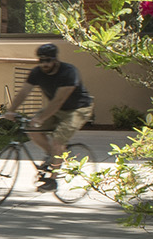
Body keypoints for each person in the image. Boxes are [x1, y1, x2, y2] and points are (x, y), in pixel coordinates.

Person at [15, 41, 96, 188]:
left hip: (79, 109)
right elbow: (23, 92)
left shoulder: (69, 72)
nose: (44, 64)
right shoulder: (37, 73)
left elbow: (58, 101)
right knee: (32, 130)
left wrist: (40, 118)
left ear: (55, 60)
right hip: (57, 109)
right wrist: (10, 110)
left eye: (48, 60)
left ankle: (52, 179)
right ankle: (54, 156)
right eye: (41, 60)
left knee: (58, 140)